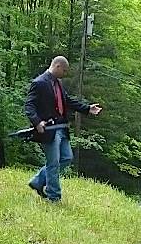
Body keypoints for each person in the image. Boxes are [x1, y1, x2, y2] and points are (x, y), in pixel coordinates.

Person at [24, 56, 102, 202]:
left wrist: (87, 108)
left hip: (61, 128)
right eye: (64, 70)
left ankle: (38, 180)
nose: (65, 73)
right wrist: (37, 122)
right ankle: (54, 196)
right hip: (48, 130)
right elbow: (29, 106)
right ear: (58, 66)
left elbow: (67, 101)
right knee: (53, 163)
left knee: (67, 158)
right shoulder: (39, 83)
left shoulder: (58, 83)